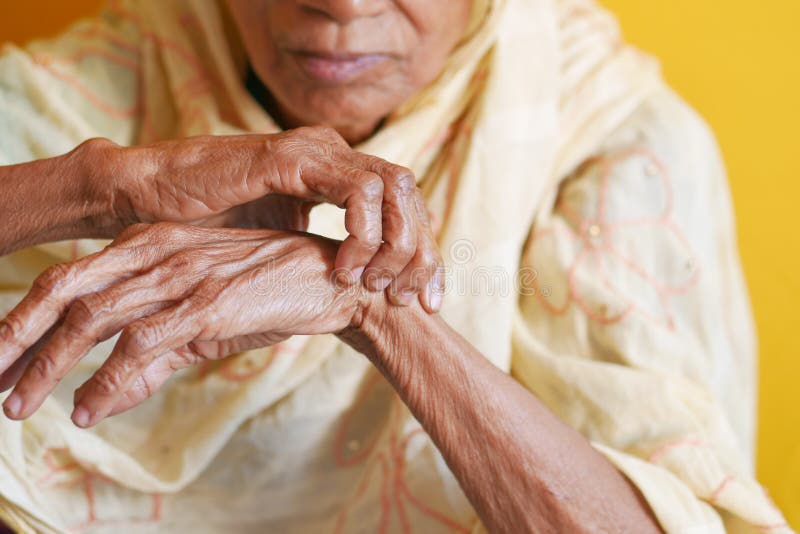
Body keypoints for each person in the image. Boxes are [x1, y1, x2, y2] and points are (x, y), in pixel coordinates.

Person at [0, 0, 789, 532]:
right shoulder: (99, 78)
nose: (344, 5)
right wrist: (102, 185)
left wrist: (373, 304)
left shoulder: (609, 139)